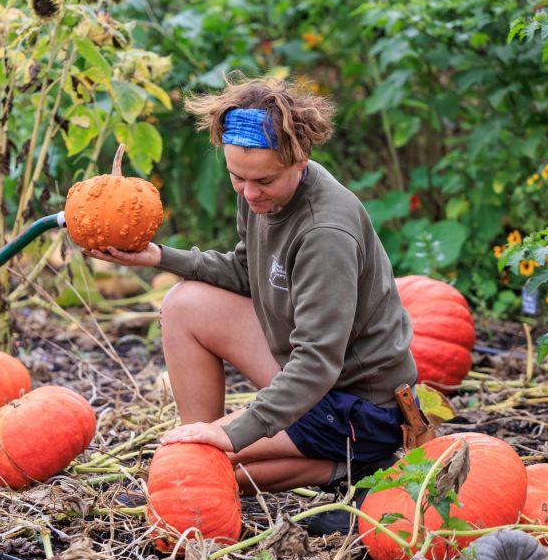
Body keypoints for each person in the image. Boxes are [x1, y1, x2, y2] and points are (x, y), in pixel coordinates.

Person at [87, 74, 417, 513]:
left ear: (300, 160)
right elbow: (248, 272)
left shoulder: (325, 234)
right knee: (184, 304)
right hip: (314, 381)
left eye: (263, 180)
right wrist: (160, 257)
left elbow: (317, 360)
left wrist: (233, 433)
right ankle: (203, 440)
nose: (249, 192)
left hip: (359, 407)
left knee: (206, 470)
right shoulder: (262, 191)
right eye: (236, 178)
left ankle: (354, 464)